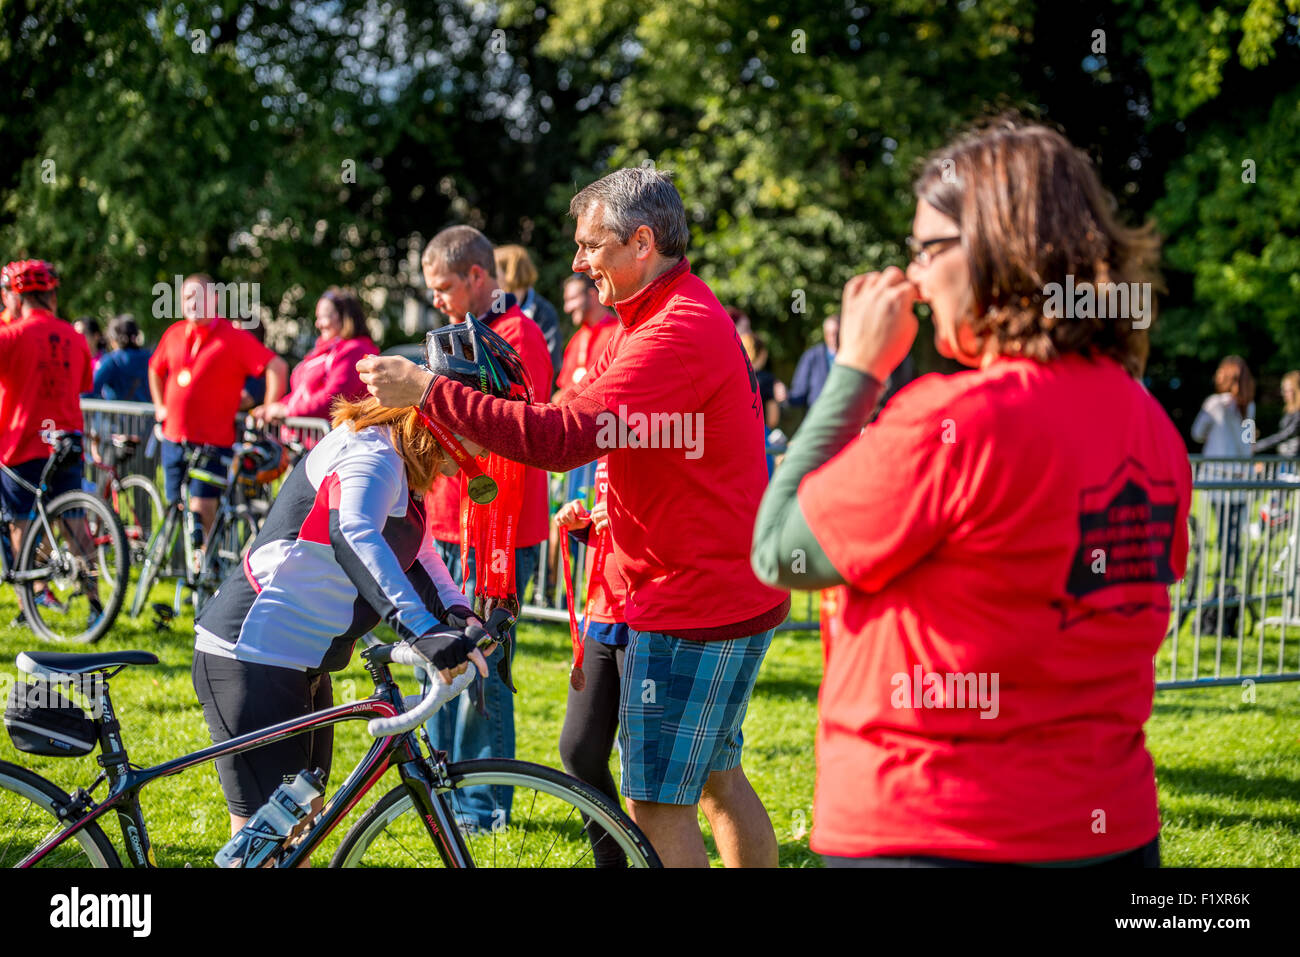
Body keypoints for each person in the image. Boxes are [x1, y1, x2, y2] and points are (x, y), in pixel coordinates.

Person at [751, 116, 1191, 868]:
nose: (915, 277)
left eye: (928, 249)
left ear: (997, 247)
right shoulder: (1150, 423)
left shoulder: (958, 418)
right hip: (1109, 828)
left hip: (935, 825)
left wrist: (855, 371)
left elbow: (779, 548)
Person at [358, 167, 791, 868]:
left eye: (592, 246)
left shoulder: (672, 329)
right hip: (686, 586)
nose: (579, 263)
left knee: (661, 803)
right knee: (708, 776)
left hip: (692, 601)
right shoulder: (656, 315)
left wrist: (429, 390)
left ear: (641, 242)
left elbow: (561, 438)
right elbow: (639, 438)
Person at [192, 394, 496, 848]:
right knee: (265, 842)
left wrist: (460, 613)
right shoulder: (371, 454)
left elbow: (419, 554)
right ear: (445, 420)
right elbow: (352, 533)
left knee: (299, 828)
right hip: (252, 652)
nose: (488, 451)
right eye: (483, 433)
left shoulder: (398, 459)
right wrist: (422, 629)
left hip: (299, 658)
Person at [417, 226, 553, 830]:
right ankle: (446, 790)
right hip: (447, 523)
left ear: (477, 276)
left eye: (444, 288)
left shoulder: (519, 335)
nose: (438, 301)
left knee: (484, 670)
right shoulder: (458, 330)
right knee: (445, 662)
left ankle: (485, 803)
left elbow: (520, 433)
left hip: (497, 532)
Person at [147, 273, 288, 534]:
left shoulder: (232, 337)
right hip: (173, 438)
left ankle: (206, 570)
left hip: (212, 442)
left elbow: (276, 366)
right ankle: (181, 567)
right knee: (174, 508)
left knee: (203, 509)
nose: (193, 303)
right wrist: (160, 406)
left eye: (199, 297)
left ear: (214, 299)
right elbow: (155, 368)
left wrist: (268, 406)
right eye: (187, 297)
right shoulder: (174, 333)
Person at [0, 260, 93, 619]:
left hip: (21, 441)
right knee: (73, 521)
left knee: (22, 522)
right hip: (66, 437)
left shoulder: (10, 336)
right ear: (52, 296)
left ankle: (31, 603)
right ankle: (97, 602)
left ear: (17, 298)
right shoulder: (75, 336)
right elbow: (84, 382)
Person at [554, 457, 630, 867]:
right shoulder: (604, 441)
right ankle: (613, 859)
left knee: (644, 767)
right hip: (602, 614)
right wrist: (584, 525)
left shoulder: (660, 428)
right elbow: (610, 527)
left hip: (651, 617)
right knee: (579, 750)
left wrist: (627, 520)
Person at [251, 287, 378, 423]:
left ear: (345, 317)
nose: (318, 324)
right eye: (317, 318)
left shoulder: (354, 350)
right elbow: (301, 394)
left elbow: (333, 398)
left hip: (336, 437)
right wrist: (277, 407)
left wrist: (288, 411)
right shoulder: (325, 350)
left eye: (324, 317)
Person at [1191, 356, 1255, 578]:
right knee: (1234, 528)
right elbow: (1248, 446)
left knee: (1222, 526)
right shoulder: (1249, 406)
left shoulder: (1215, 404)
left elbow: (1197, 433)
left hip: (1218, 475)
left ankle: (1225, 571)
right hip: (1239, 476)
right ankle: (1231, 569)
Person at [495, 243, 563, 380]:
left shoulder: (543, 311)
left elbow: (552, 361)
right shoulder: (496, 305)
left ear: (510, 272)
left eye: (494, 271)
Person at [91, 315, 152, 402]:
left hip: (117, 414)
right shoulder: (150, 357)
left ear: (113, 339)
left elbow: (90, 389)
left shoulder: (112, 361)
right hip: (149, 413)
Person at [786, 314, 839, 410]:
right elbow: (799, 391)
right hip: (819, 416)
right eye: (829, 333)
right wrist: (785, 396)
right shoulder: (812, 356)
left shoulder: (852, 357)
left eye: (836, 333)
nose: (833, 338)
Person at [1254, 371, 1300, 459]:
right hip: (1285, 458)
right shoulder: (1289, 412)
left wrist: (1258, 446)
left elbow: (1284, 435)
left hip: (1295, 461)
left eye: (1287, 390)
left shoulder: (1298, 414)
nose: (1283, 394)